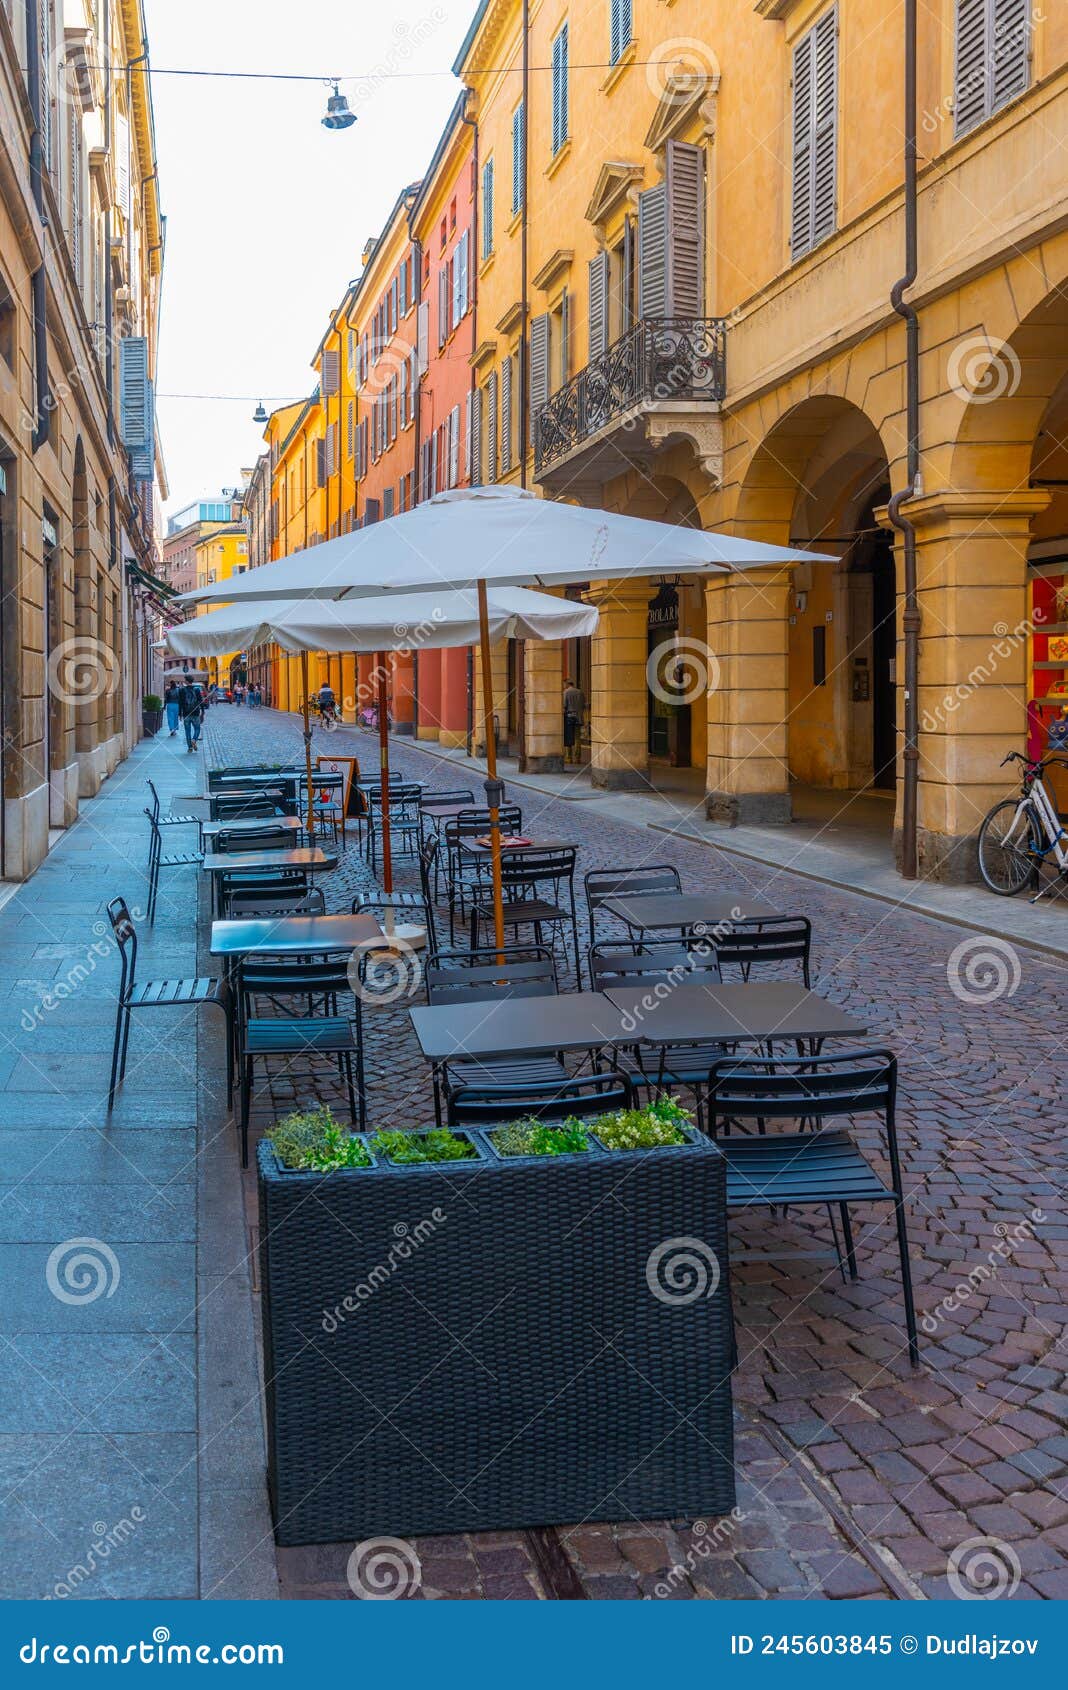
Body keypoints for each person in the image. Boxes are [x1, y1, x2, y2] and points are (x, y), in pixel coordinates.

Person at [178, 675, 204, 753]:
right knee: (197, 728)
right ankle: (194, 739)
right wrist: (203, 711)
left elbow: (180, 703)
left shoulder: (182, 690)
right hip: (195, 712)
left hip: (186, 713)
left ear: (186, 681)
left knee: (187, 730)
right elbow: (201, 701)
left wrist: (180, 714)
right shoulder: (197, 690)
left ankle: (190, 747)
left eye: (185, 680)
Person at [563, 676, 585, 765]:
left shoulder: (566, 692)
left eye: (564, 684)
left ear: (568, 684)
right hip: (578, 717)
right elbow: (583, 705)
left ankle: (568, 758)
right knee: (577, 738)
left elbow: (564, 705)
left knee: (568, 737)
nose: (564, 685)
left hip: (569, 717)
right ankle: (578, 758)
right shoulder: (580, 692)